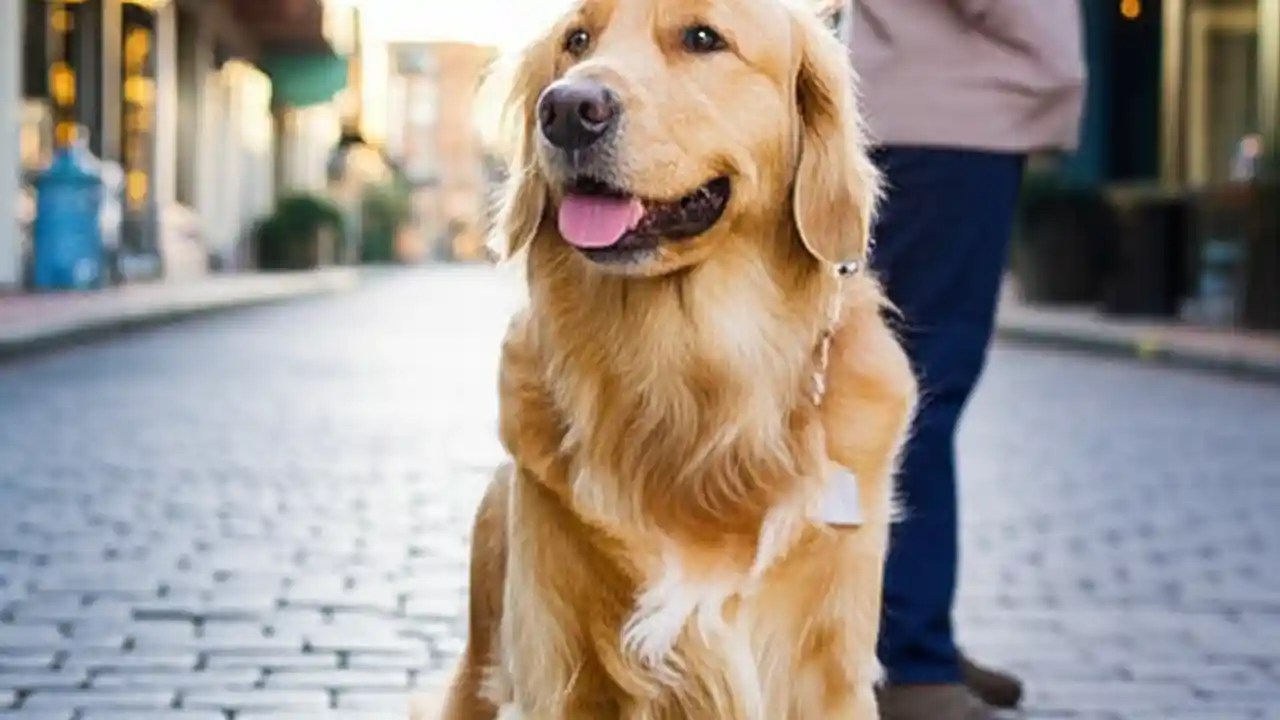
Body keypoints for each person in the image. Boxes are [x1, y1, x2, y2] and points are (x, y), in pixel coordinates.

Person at [840, 2, 1087, 719]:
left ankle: (902, 638)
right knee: (914, 393)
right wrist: (1051, 57)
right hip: (949, 120)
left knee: (902, 383)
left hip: (934, 108)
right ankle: (908, 661)